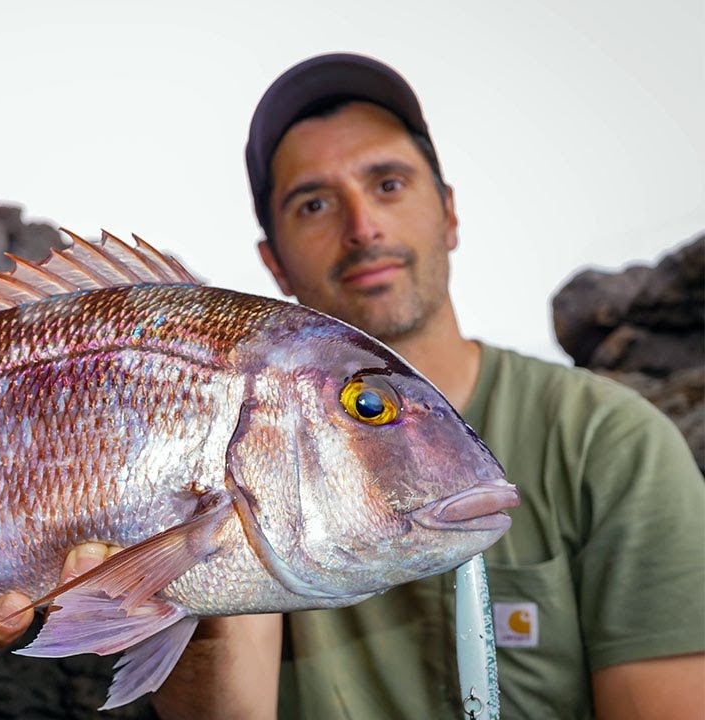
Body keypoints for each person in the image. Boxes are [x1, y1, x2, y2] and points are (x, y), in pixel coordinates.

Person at [147, 53, 705, 719]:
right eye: (314, 203)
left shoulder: (612, 440)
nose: (362, 227)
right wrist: (192, 584)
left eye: (388, 184)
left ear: (449, 213)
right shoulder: (246, 432)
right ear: (274, 262)